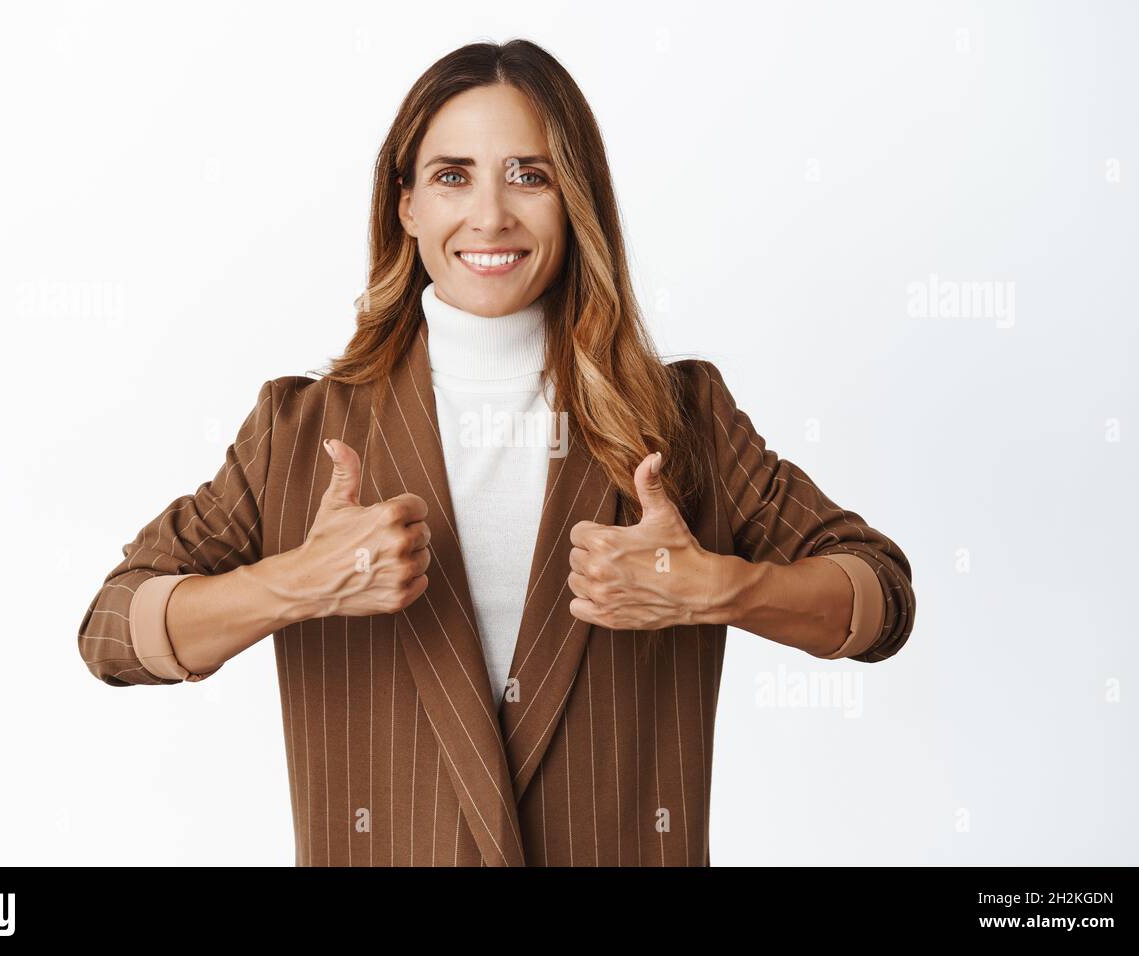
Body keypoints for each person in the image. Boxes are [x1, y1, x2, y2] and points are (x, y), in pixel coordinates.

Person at [77, 38, 915, 866]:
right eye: (453, 176)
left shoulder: (683, 416)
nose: (490, 215)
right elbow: (111, 631)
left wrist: (719, 588)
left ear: (575, 200)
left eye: (530, 174)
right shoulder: (300, 427)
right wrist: (292, 584)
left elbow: (881, 599)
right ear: (404, 205)